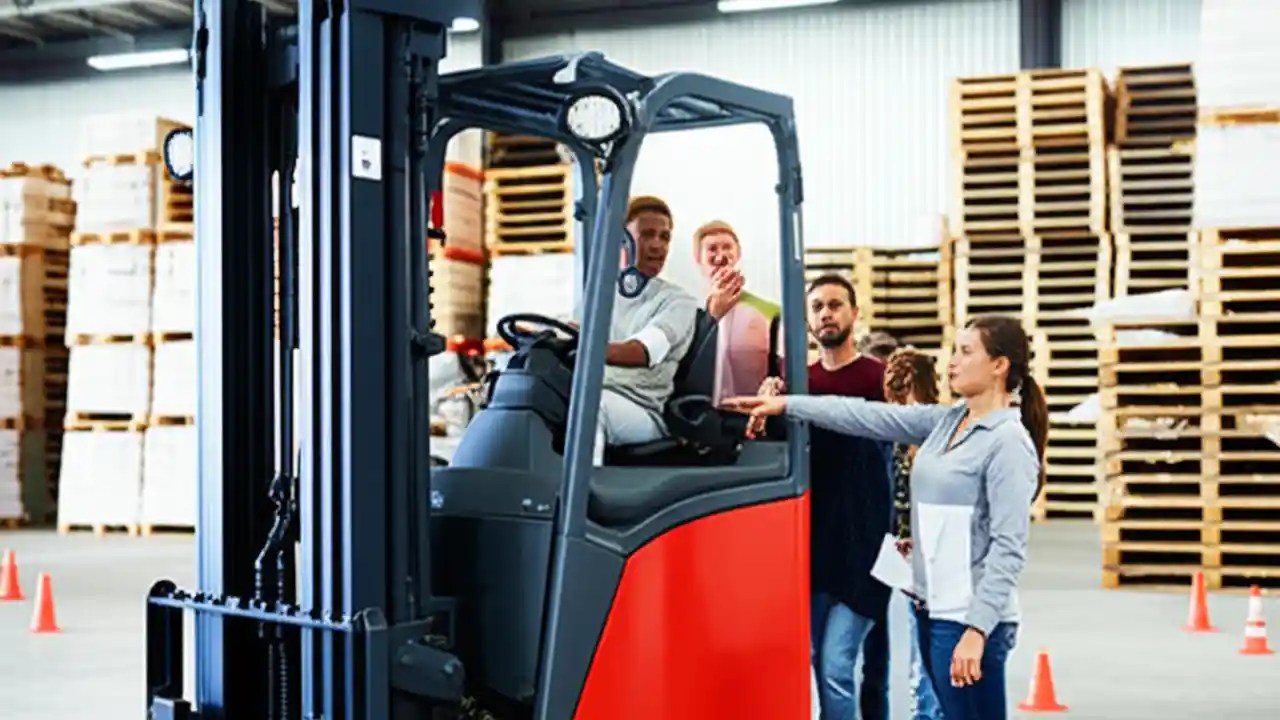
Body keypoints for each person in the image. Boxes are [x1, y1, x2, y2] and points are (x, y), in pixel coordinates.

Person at [725, 314, 1048, 720]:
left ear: (999, 365)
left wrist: (977, 631)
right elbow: (864, 416)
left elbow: (1009, 548)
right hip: (932, 607)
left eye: (966, 352)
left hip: (967, 620)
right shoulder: (949, 422)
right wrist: (787, 405)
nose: (952, 362)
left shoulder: (1007, 443)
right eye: (953, 351)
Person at [754, 274, 892, 720]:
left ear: (854, 313)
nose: (826, 313)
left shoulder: (877, 378)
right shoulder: (797, 382)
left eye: (835, 304)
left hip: (866, 543)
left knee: (839, 664)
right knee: (817, 660)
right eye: (817, 307)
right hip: (812, 546)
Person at [593, 195, 699, 454]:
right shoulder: (600, 294)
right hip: (592, 392)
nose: (657, 246)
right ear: (623, 241)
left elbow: (644, 351)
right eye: (647, 235)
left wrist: (585, 347)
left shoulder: (678, 301)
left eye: (664, 237)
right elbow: (567, 327)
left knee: (592, 409)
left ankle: (585, 493)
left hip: (640, 408)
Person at [883, 348, 944, 720]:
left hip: (936, 557)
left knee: (929, 650)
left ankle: (928, 712)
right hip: (907, 556)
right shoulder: (895, 439)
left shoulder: (939, 434)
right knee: (920, 645)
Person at [692, 220, 779, 405]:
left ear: (738, 253)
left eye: (727, 247)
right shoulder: (688, 313)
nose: (720, 256)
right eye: (712, 249)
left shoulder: (770, 312)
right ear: (698, 257)